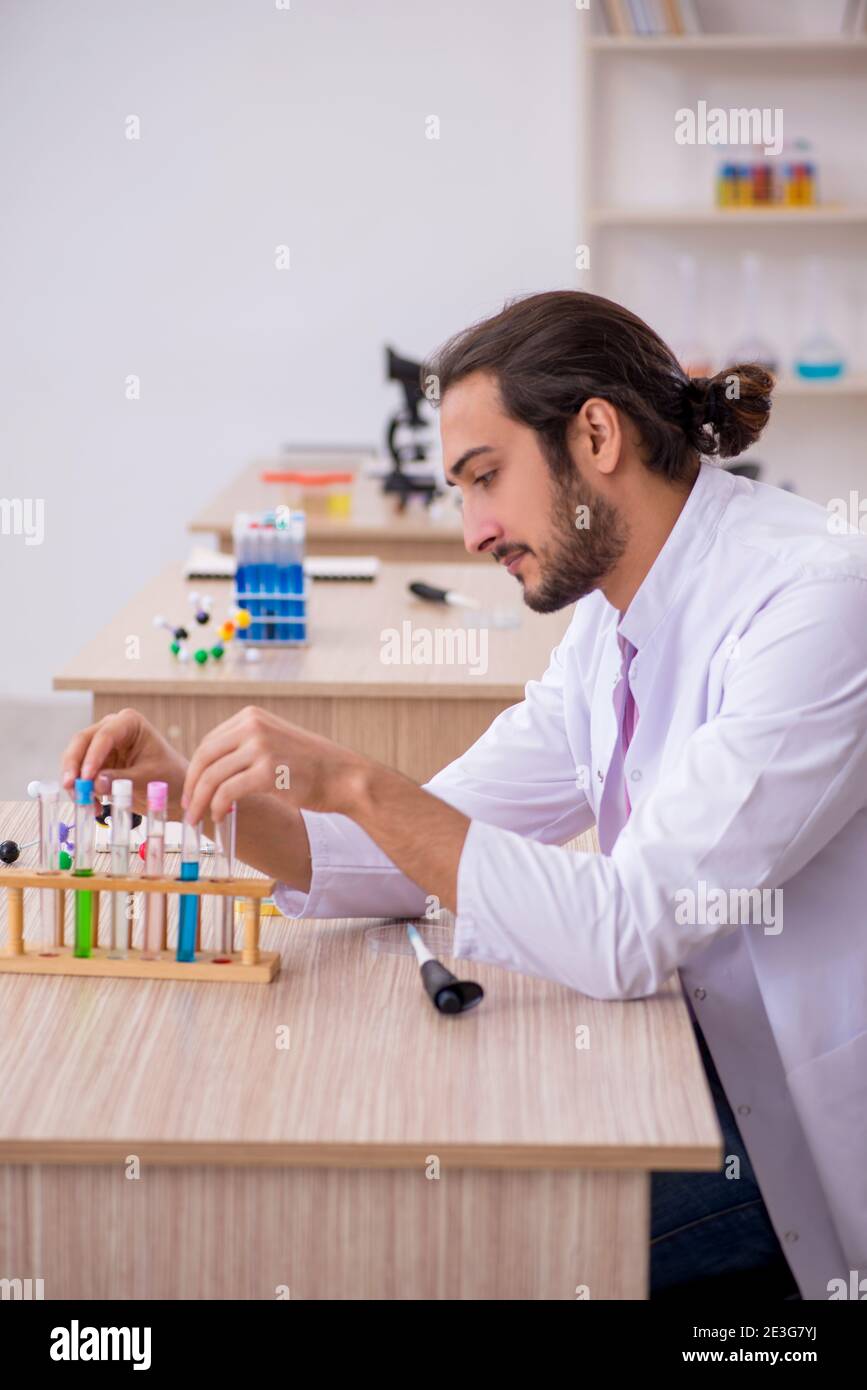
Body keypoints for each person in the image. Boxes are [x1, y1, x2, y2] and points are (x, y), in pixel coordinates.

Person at [62, 291, 867, 1300]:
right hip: (689, 1054)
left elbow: (628, 930)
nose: (473, 530)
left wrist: (358, 779)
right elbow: (416, 845)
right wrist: (201, 792)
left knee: (451, 1256)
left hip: (788, 1145)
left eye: (486, 478)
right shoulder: (611, 627)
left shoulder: (813, 600)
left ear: (597, 434)